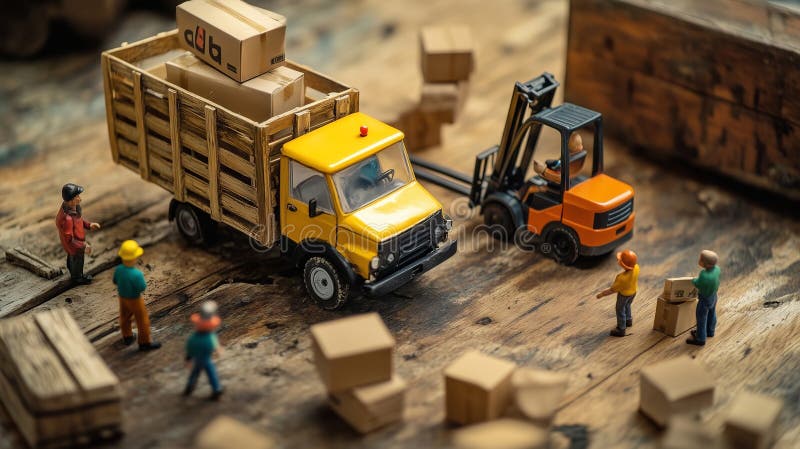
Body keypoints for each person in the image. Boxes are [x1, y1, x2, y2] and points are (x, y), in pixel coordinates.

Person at [113, 240, 161, 351]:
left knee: (124, 317)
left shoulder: (118, 270)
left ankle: (127, 336)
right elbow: (142, 288)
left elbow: (115, 281)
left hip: (122, 298)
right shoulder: (136, 274)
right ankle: (144, 342)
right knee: (142, 320)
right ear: (133, 258)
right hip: (134, 299)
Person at [55, 183, 100, 284]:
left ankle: (73, 270)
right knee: (78, 260)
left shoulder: (74, 210)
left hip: (78, 243)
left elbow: (80, 221)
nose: (80, 199)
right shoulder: (68, 219)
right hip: (75, 246)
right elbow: (69, 240)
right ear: (70, 201)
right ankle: (77, 278)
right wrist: (84, 246)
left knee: (73, 259)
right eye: (77, 197)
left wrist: (89, 225)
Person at [184, 301, 224, 400]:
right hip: (205, 358)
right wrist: (218, 351)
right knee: (211, 373)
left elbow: (190, 348)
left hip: (198, 358)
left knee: (196, 373)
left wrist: (188, 358)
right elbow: (214, 345)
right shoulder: (209, 337)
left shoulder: (194, 338)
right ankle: (216, 389)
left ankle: (190, 386)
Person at [596, 249, 639, 337]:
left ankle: (621, 329)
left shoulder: (621, 278)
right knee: (627, 306)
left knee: (620, 310)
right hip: (633, 292)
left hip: (624, 295)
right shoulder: (637, 267)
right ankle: (628, 320)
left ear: (623, 264)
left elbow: (612, 290)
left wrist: (602, 294)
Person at [686, 250, 721, 346]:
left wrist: (694, 280)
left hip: (705, 299)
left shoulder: (704, 275)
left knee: (701, 317)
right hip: (714, 296)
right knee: (712, 313)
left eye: (701, 259)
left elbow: (698, 284)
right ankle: (710, 331)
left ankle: (701, 338)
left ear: (707, 264)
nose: (699, 260)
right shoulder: (717, 269)